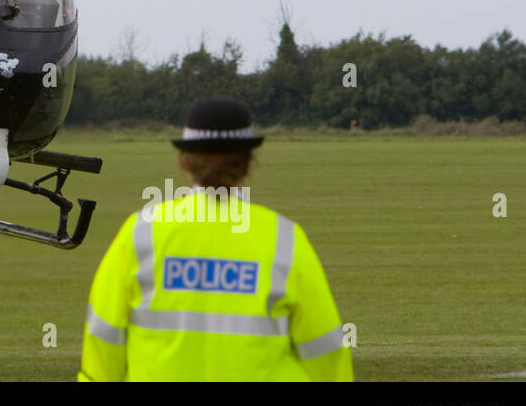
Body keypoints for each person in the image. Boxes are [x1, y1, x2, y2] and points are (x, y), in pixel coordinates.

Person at [78, 98, 352, 381]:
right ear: (248, 162)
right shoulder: (284, 238)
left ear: (184, 160)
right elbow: (325, 350)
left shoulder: (140, 232)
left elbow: (104, 338)